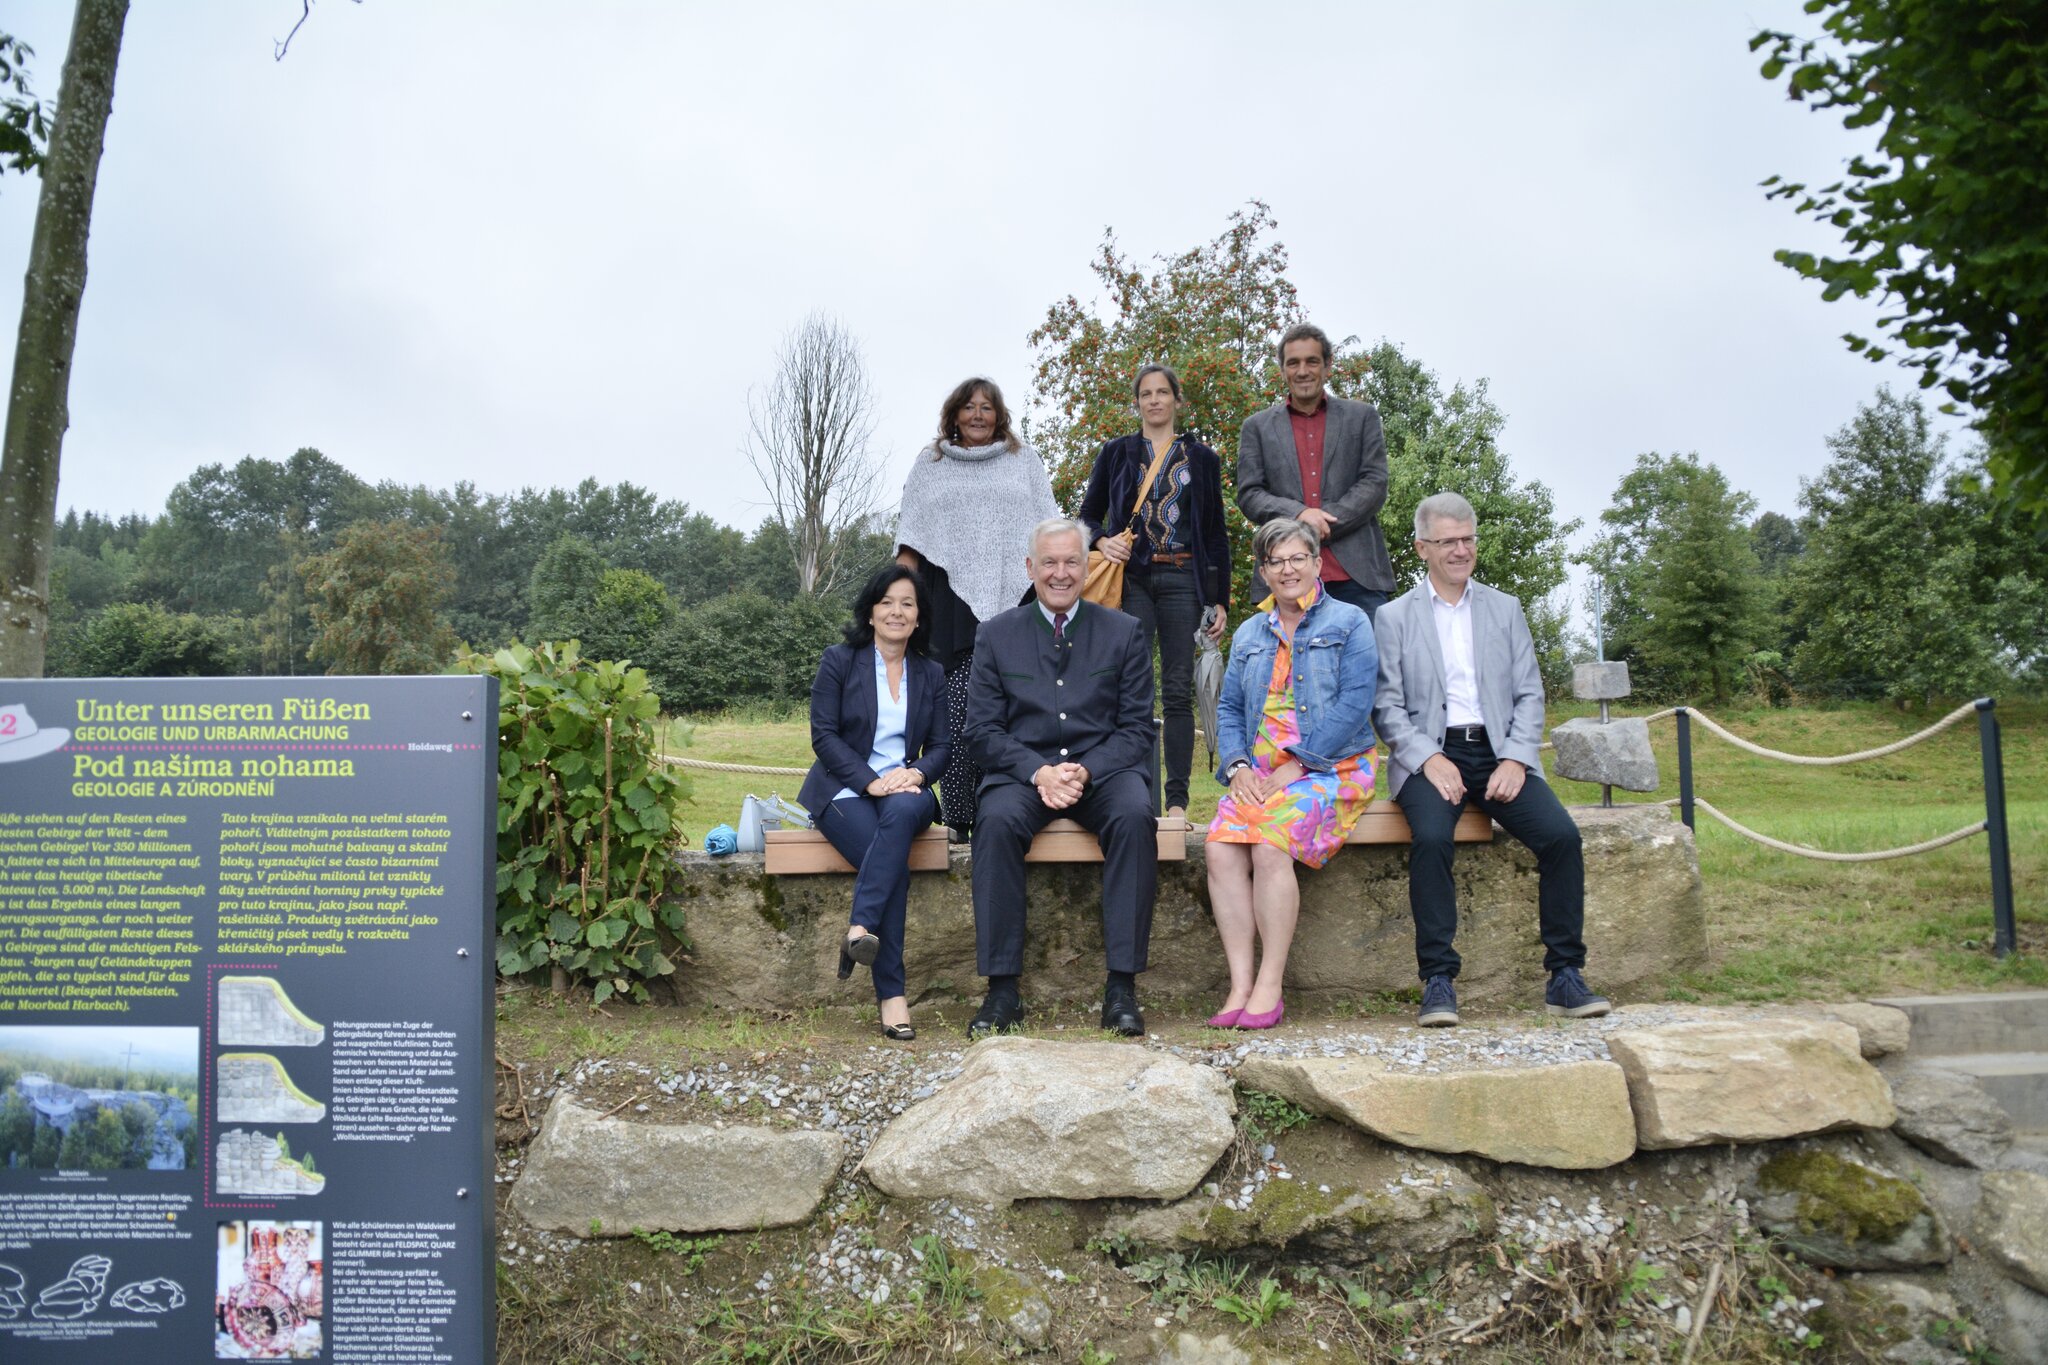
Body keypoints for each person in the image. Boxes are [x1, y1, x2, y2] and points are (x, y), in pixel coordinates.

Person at [1372, 491, 1610, 1028]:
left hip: (1500, 752)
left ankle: (1565, 976)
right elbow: (1385, 705)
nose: (1461, 550)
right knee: (1431, 839)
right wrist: (1428, 758)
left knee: (1562, 837)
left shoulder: (1505, 608)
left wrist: (1518, 759)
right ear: (1422, 548)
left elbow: (1529, 694)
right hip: (1431, 753)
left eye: (1468, 538)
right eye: (1448, 541)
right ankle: (1438, 981)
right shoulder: (1393, 617)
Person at [964, 517, 1158, 1037]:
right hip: (1023, 774)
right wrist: (1038, 772)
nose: (1060, 572)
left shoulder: (1124, 631)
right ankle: (1002, 992)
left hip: (1103, 769)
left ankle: (1121, 987)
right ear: (1030, 568)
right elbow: (982, 732)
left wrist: (1086, 769)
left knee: (1136, 815)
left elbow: (1138, 728)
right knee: (996, 822)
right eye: (1048, 562)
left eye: (1072, 561)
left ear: (1087, 565)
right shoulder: (995, 634)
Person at [1204, 518, 1378, 1030]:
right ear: (1264, 571)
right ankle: (1239, 982)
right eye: (1276, 561)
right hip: (1260, 772)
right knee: (1219, 847)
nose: (1288, 569)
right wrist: (1236, 766)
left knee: (1268, 844)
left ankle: (1270, 984)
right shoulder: (1250, 632)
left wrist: (1299, 763)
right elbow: (1230, 708)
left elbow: (1354, 703)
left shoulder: (1350, 622)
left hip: (1333, 767)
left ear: (1317, 563)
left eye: (1297, 558)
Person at [894, 377, 1059, 842]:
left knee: (1020, 702)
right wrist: (898, 598)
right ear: (954, 414)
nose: (978, 414)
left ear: (999, 414)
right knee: (958, 707)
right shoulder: (931, 462)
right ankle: (960, 817)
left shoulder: (1023, 459)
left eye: (987, 407)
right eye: (968, 407)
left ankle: (1016, 808)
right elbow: (911, 535)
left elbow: (1049, 523)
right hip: (948, 599)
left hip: (1018, 592)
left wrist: (1059, 579)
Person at [797, 565, 949, 1041]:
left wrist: (917, 773)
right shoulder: (839, 661)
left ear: (920, 616)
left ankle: (860, 928)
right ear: (870, 611)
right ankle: (892, 996)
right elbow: (823, 736)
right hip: (845, 790)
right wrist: (870, 783)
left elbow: (944, 745)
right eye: (886, 602)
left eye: (907, 603)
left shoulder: (931, 672)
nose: (896, 611)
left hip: (908, 790)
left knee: (903, 814)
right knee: (892, 866)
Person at [1078, 362, 1230, 823]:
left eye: (1163, 392)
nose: (1155, 400)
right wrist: (1101, 540)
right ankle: (1138, 794)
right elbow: (1087, 516)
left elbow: (1216, 533)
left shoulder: (1202, 458)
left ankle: (1178, 802)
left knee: (1178, 692)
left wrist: (1219, 597)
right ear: (1137, 402)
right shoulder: (1117, 452)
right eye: (1146, 393)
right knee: (1135, 689)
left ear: (1177, 401)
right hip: (1135, 580)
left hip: (1184, 578)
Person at [1235, 322, 1395, 620]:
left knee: (1366, 667)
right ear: (1282, 370)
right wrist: (1299, 515)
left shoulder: (1362, 417)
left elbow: (1374, 483)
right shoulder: (1256, 427)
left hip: (1356, 576)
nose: (1303, 371)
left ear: (1327, 366)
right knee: (1287, 668)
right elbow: (1250, 494)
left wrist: (1321, 522)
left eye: (1312, 361)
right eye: (1293, 363)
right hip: (1285, 578)